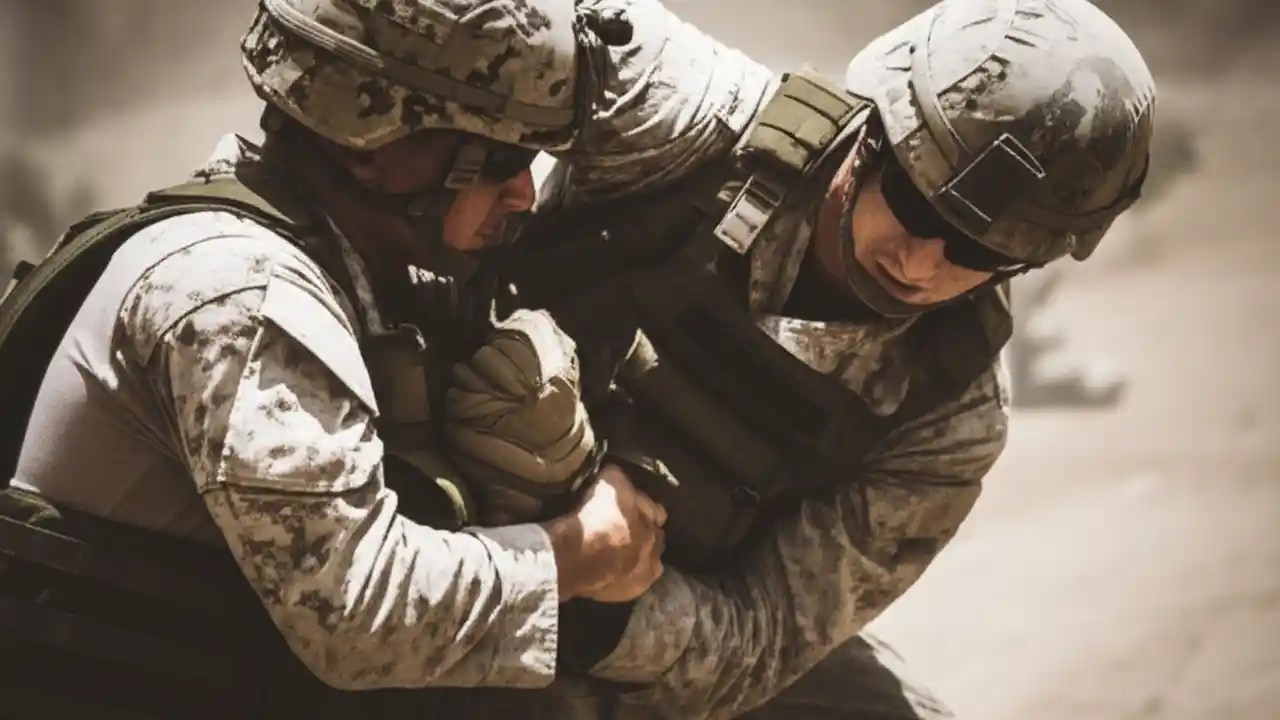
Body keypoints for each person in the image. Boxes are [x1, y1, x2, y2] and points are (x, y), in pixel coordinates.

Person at [444, 0, 1156, 717]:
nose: (918, 263)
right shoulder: (685, 116)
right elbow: (442, 42)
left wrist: (601, 591)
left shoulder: (951, 414)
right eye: (914, 206)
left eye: (977, 252)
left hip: (634, 632)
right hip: (433, 489)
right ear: (872, 132)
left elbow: (762, 641)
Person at [0, 1, 669, 717]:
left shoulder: (359, 275)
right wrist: (579, 552)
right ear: (367, 145)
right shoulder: (240, 289)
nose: (522, 191)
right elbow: (354, 608)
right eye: (499, 158)